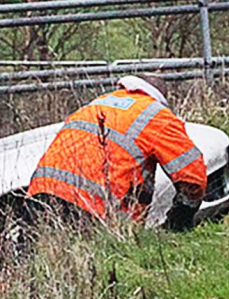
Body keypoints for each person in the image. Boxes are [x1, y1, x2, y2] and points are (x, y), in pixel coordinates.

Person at [28, 74, 208, 229]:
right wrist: (179, 221)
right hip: (90, 210)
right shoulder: (157, 114)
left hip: (38, 197)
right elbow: (192, 177)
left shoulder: (96, 104)